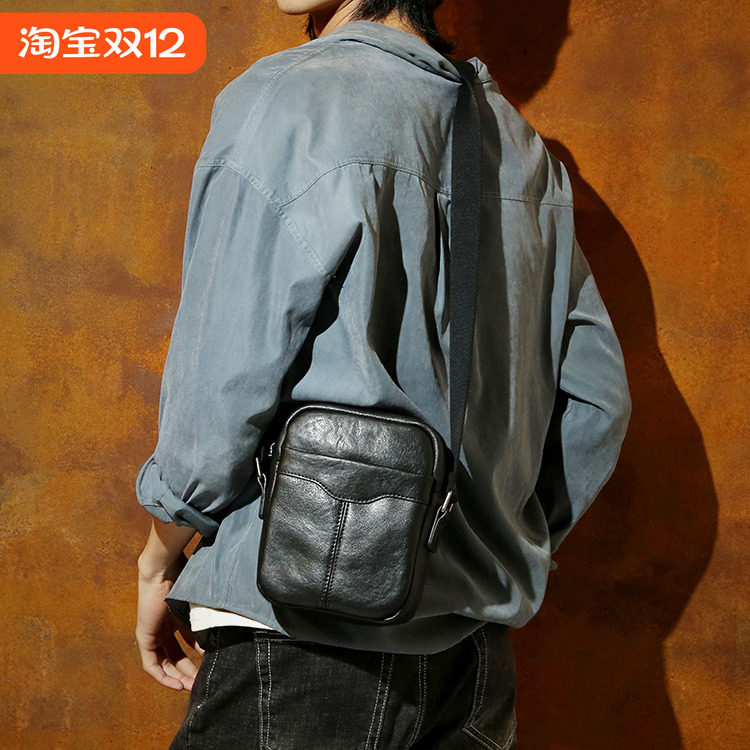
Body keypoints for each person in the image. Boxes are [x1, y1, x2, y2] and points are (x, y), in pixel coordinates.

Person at [134, 1, 632, 748]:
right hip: (473, 662)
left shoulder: (289, 98)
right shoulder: (516, 143)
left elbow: (223, 379)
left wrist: (159, 556)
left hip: (305, 634)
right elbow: (596, 402)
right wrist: (486, 542)